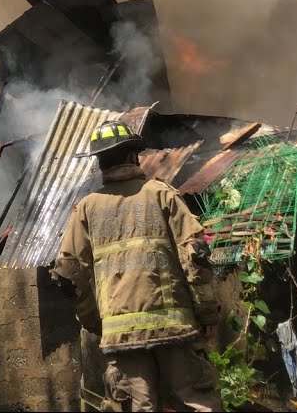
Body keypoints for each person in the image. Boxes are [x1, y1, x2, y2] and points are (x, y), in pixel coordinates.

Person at [53, 121, 223, 413]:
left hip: (121, 338)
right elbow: (195, 256)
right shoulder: (160, 194)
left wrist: (95, 322)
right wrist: (207, 312)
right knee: (195, 403)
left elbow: (69, 275)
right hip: (174, 329)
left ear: (100, 163)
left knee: (139, 408)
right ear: (133, 156)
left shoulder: (86, 208)